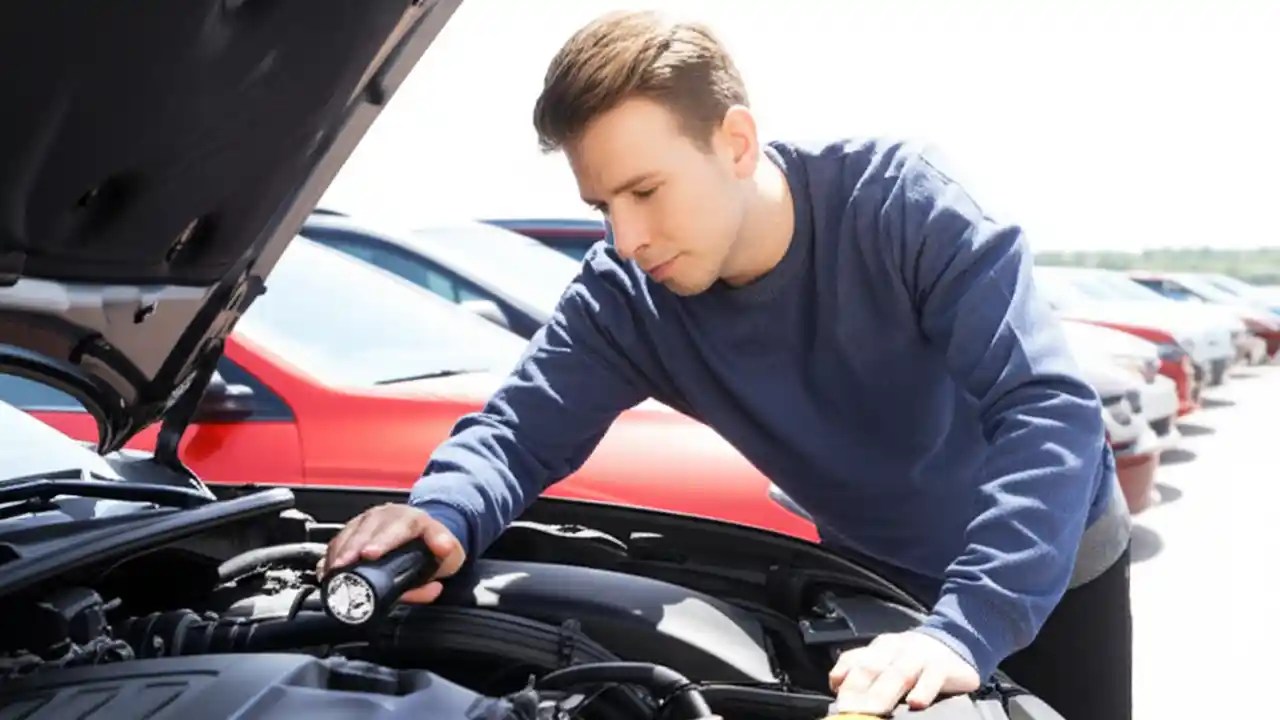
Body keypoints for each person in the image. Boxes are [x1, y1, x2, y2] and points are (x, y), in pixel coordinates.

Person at [322, 9, 1132, 719]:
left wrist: (968, 625)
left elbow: (1046, 409)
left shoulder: (903, 204)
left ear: (736, 143)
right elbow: (517, 433)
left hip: (1049, 561)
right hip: (869, 573)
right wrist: (440, 511)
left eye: (645, 190)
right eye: (603, 206)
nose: (626, 239)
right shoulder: (627, 298)